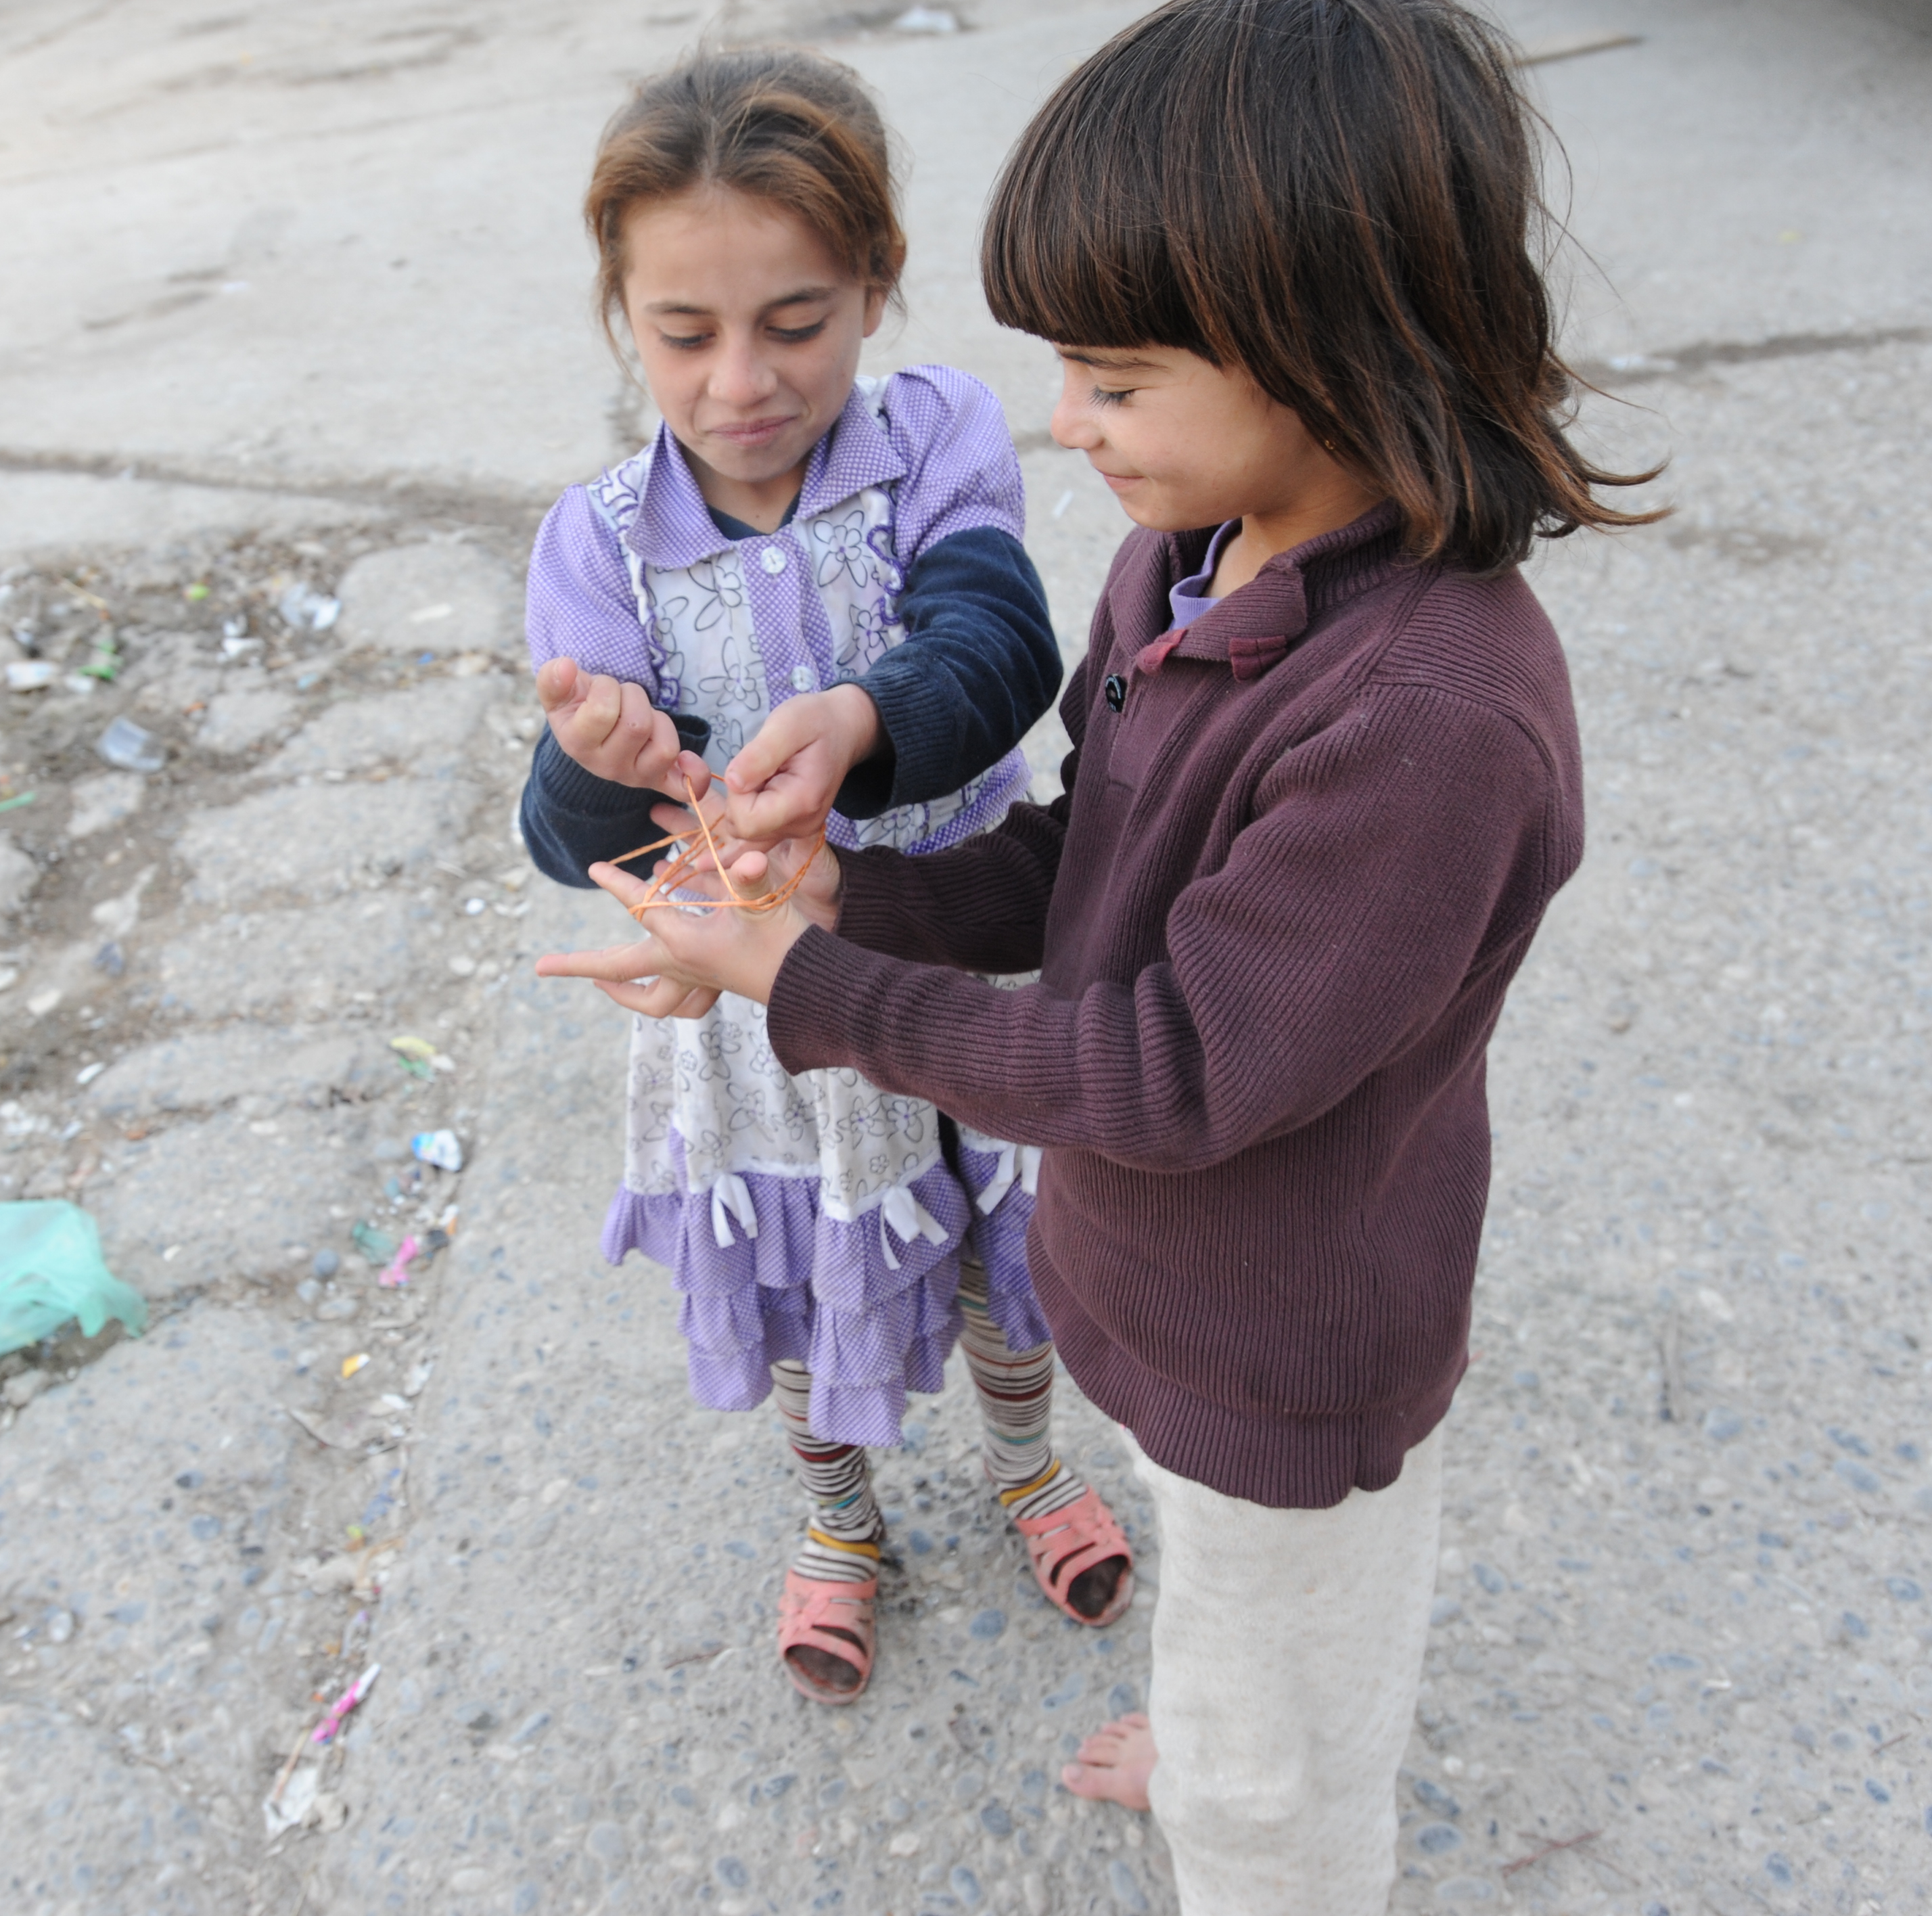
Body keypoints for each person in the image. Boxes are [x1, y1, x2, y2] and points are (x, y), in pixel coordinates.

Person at [539, 0, 1658, 1905]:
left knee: (1282, 1774)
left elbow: (1172, 1068)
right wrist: (832, 903)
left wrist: (798, 985)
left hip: (1288, 1346)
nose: (1067, 424)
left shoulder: (1430, 721)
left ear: (1336, 348)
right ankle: (1228, 1745)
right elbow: (1084, 857)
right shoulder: (1197, 553)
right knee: (1237, 1650)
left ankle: (1257, 1814)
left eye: (1118, 380)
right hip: (1159, 1283)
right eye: (1071, 370)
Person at [521, 45, 1136, 1707]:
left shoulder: (933, 441)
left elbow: (996, 645)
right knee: (805, 1282)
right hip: (761, 1010)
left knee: (1004, 1254)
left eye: (795, 322)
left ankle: (1025, 1464)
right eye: (684, 332)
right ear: (620, 315)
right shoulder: (596, 544)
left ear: (875, 284)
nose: (741, 381)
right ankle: (836, 1515)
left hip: (959, 946)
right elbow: (576, 844)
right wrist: (598, 764)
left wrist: (865, 718)